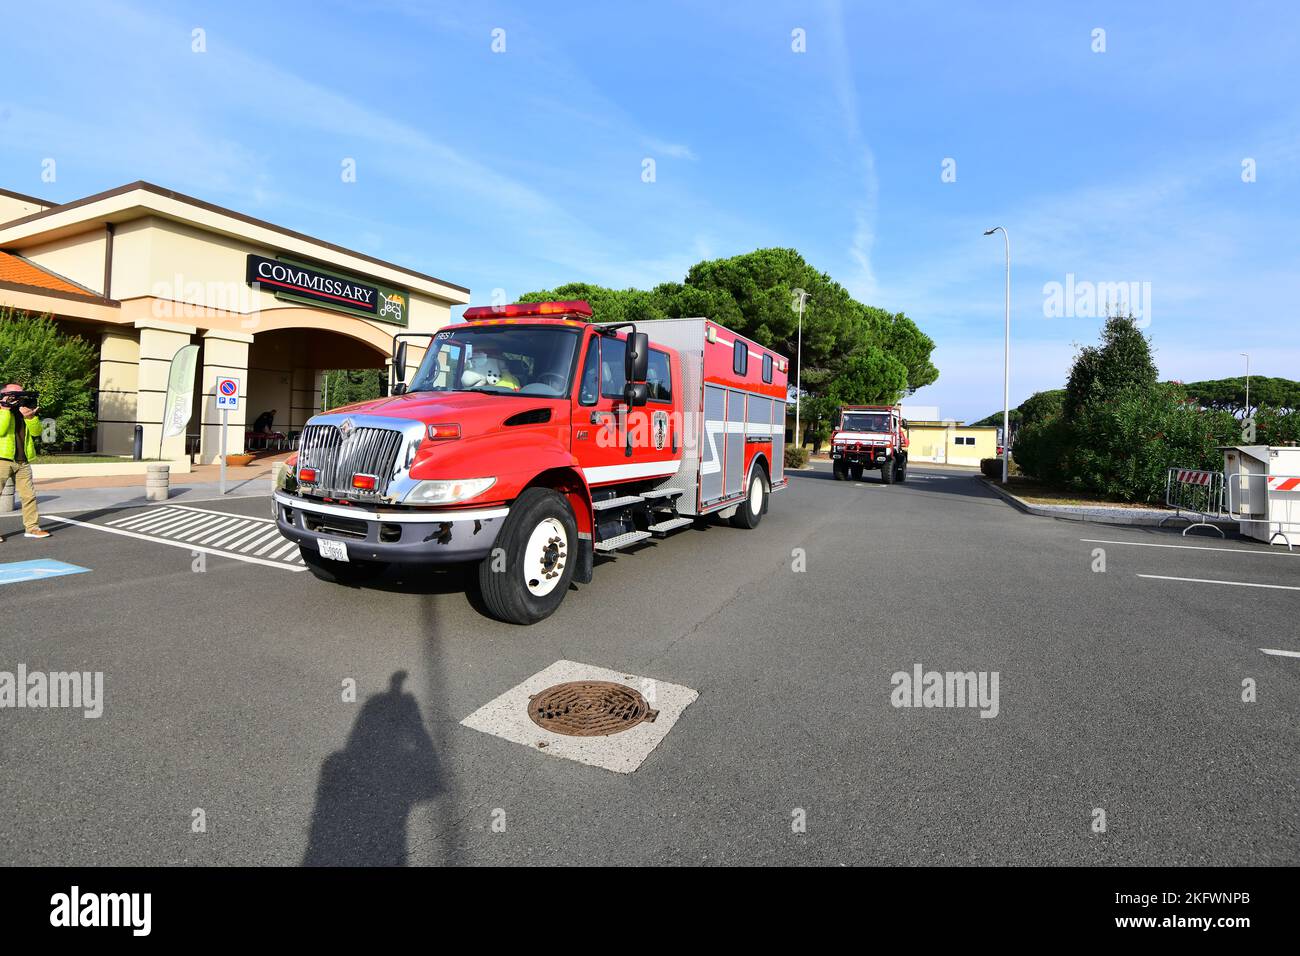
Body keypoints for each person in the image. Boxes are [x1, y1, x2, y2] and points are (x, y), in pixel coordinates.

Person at [0, 383, 50, 541]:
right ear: (4, 394)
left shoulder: (25, 409)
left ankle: (32, 528)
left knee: (29, 496)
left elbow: (37, 432)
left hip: (23, 461)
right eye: (14, 393)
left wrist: (30, 417)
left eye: (21, 393)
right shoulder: (1, 410)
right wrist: (5, 410)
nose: (18, 396)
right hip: (2, 459)